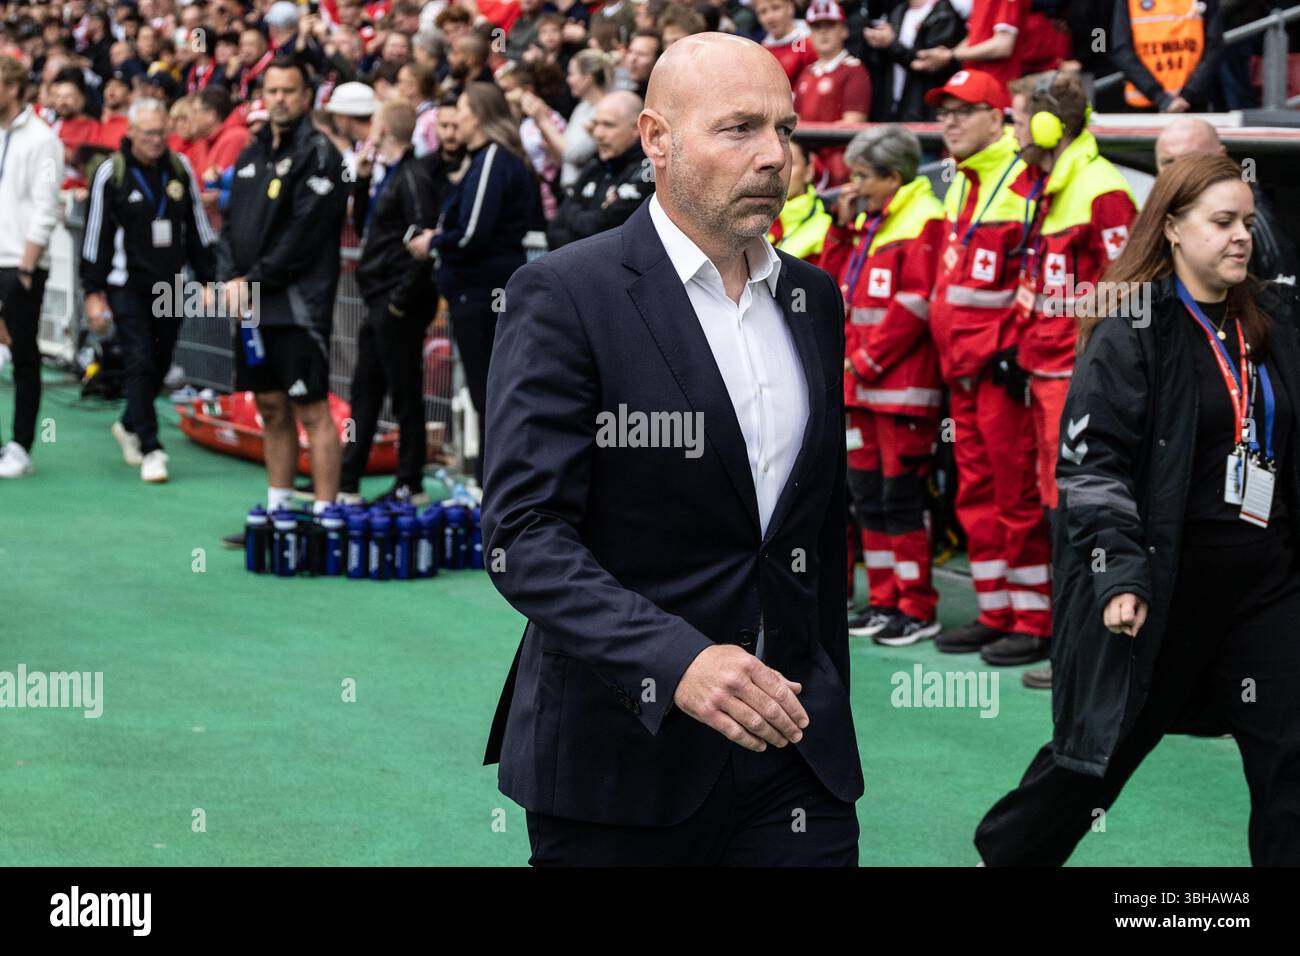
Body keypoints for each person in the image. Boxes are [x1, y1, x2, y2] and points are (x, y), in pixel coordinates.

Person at [482, 32, 863, 866]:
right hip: (621, 760)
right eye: (739, 130)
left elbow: (815, 521)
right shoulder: (566, 293)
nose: (774, 156)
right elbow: (526, 537)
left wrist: (826, 692)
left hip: (796, 755)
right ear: (657, 139)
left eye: (786, 130)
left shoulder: (814, 299)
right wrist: (679, 661)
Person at [975, 154, 1300, 866]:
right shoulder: (1133, 329)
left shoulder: (1272, 321)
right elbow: (1094, 469)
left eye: (1248, 221)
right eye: (1222, 222)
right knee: (1095, 758)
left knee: (1290, 763)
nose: (1242, 236)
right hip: (1163, 588)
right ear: (1174, 229)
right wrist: (1120, 574)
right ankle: (1005, 857)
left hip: (1266, 588)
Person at [1008, 70, 1137, 687]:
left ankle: (1088, 655)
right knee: (1057, 511)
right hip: (1045, 370)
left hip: (1074, 376)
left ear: (1047, 126)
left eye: (1018, 118)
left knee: (1080, 514)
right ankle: (1072, 649)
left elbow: (1126, 291)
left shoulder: (1099, 188)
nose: (1012, 130)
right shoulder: (1053, 185)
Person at [924, 69, 1052, 666]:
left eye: (963, 110)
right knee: (975, 494)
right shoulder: (962, 184)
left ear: (997, 116)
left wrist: (1014, 354)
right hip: (963, 373)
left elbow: (1038, 280)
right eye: (943, 111)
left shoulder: (1025, 179)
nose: (949, 121)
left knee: (1016, 495)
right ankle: (997, 611)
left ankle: (1034, 619)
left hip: (1001, 374)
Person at [819, 125, 945, 643]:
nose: (855, 188)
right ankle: (886, 601)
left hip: (901, 392)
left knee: (901, 499)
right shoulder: (874, 222)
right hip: (863, 393)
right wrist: (845, 231)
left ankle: (916, 607)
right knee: (867, 496)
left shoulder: (924, 220)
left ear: (894, 177)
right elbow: (836, 288)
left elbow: (915, 304)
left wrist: (865, 360)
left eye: (865, 178)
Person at [216, 58, 347, 531]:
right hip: (251, 305)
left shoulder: (321, 155)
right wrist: (231, 277)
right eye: (272, 90)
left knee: (311, 408)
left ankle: (327, 516)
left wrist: (249, 280)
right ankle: (279, 511)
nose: (279, 99)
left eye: (289, 90)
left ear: (307, 96)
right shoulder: (251, 154)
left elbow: (303, 237)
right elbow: (229, 226)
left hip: (297, 306)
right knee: (269, 406)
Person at [408, 82, 541, 485]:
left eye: (462, 111)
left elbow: (471, 234)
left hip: (483, 291)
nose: (455, 121)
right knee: (489, 392)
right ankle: (491, 484)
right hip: (478, 289)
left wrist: (433, 241)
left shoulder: (493, 159)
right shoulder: (488, 159)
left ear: (479, 115)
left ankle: (493, 486)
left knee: (490, 394)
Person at [81, 98, 218, 484]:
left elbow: (197, 225)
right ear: (131, 133)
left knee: (160, 362)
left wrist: (207, 279)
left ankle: (129, 423)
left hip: (171, 284)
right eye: (148, 133)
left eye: (161, 132)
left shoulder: (180, 168)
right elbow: (96, 236)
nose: (156, 140)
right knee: (139, 359)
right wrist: (93, 291)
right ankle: (151, 446)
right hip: (127, 285)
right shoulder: (112, 173)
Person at [339, 100, 443, 506]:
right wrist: (362, 180)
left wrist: (399, 301)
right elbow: (366, 223)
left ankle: (410, 482)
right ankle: (347, 478)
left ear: (384, 130)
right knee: (365, 388)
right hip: (381, 298)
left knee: (404, 392)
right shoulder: (393, 174)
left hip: (397, 301)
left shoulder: (413, 177)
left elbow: (425, 241)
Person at [0, 56, 64, 480]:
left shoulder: (43, 139)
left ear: (14, 88)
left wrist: (26, 266)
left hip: (18, 263)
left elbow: (46, 206)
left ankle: (21, 444)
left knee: (23, 353)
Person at [1155, 117, 1298, 299]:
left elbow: (1281, 301)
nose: (1177, 172)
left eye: (1190, 160)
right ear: (1171, 228)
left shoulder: (1257, 221)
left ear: (1220, 155)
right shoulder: (1137, 303)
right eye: (1168, 162)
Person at [545, 90, 650, 249]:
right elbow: (554, 229)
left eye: (608, 125)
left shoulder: (648, 173)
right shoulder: (596, 166)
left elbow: (598, 229)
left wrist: (573, 212)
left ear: (637, 129)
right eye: (595, 124)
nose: (598, 134)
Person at [1110, 0, 1224, 112]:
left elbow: (1214, 47)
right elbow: (1121, 50)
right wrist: (1160, 97)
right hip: (1146, 106)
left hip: (1192, 103)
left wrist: (1187, 94)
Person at [862, 0, 965, 122]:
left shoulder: (943, 12)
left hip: (924, 107)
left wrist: (891, 44)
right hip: (892, 104)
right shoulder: (898, 10)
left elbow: (928, 63)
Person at [767, 138, 832, 262]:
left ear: (809, 172)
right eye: (772, 164)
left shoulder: (828, 226)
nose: (779, 171)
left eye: (789, 163)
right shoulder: (747, 215)